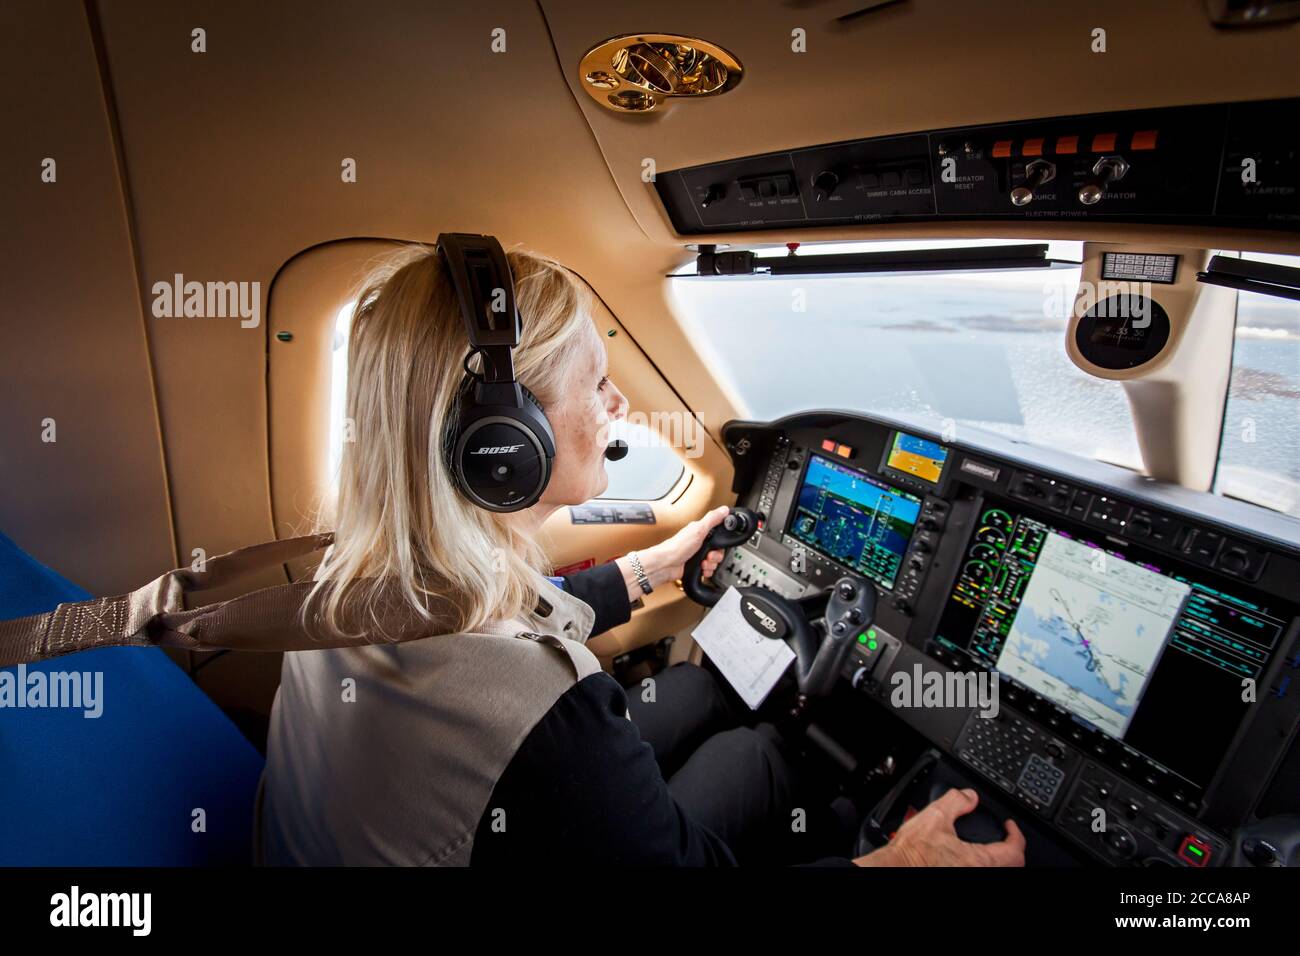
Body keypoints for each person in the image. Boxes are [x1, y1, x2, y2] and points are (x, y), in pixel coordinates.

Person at [256, 242, 1025, 867]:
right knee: (756, 758)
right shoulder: (544, 712)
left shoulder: (346, 575)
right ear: (504, 448)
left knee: (691, 693)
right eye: (596, 382)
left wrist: (658, 564)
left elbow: (506, 617)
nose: (620, 403)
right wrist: (908, 864)